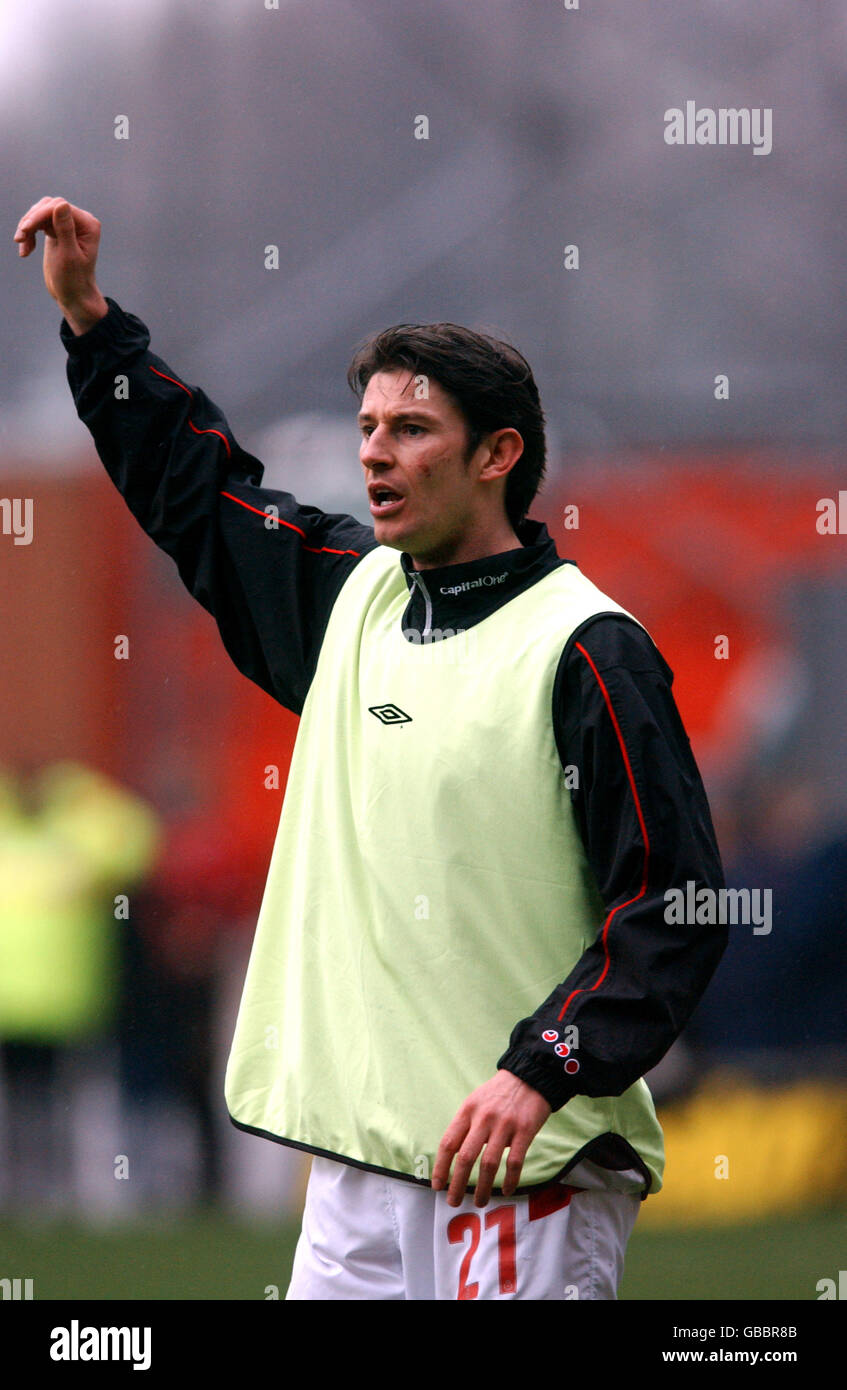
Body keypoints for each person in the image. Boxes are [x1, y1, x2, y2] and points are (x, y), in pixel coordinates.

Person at [15, 197, 727, 1300]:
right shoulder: (351, 597)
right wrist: (91, 323)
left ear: (499, 453)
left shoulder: (588, 649)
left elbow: (673, 902)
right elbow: (200, 492)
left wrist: (544, 1069)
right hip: (359, 1172)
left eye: (411, 429)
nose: (374, 455)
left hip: (519, 1168)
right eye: (367, 429)